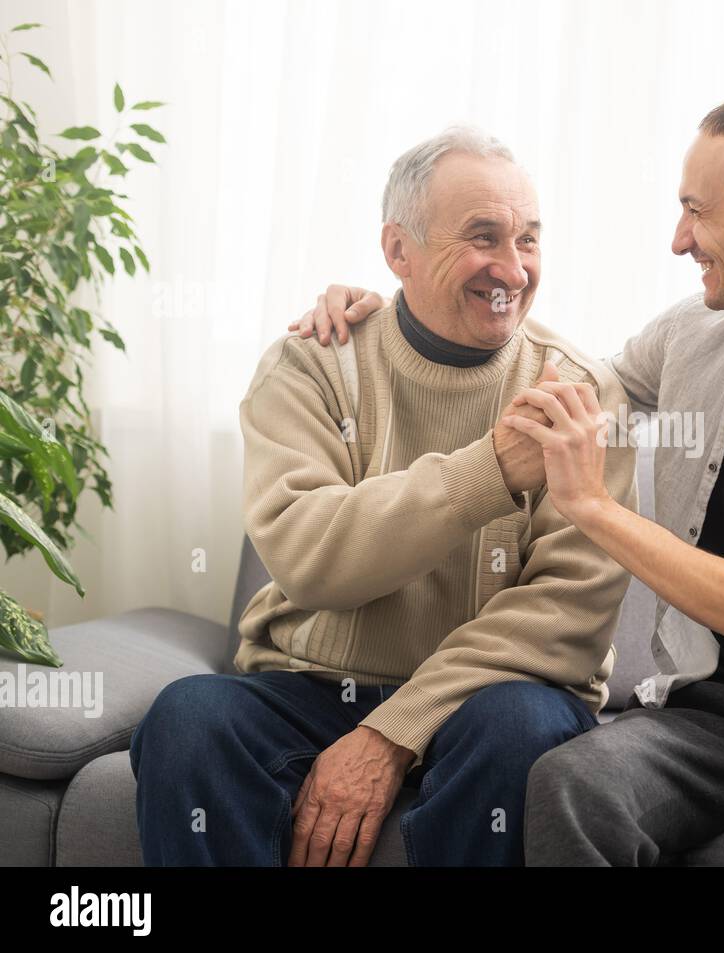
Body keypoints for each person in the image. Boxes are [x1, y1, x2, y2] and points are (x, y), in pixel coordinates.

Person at [295, 90, 724, 866]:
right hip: (712, 719)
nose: (678, 240)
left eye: (698, 212)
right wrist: (398, 317)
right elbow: (542, 394)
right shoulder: (689, 337)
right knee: (572, 783)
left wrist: (596, 509)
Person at [129, 127, 636, 867]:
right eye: (483, 237)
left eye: (528, 240)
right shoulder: (310, 365)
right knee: (188, 719)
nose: (513, 268)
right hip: (311, 688)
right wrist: (489, 470)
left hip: (487, 700)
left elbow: (568, 614)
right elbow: (310, 556)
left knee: (517, 727)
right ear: (398, 251)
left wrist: (395, 730)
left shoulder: (578, 393)